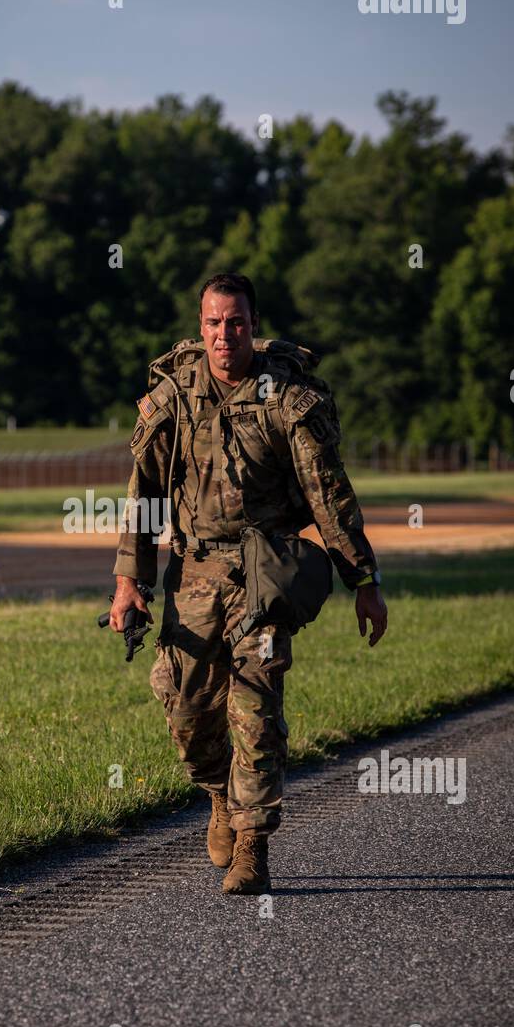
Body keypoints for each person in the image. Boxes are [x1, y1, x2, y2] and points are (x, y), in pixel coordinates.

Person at [109, 272, 387, 894]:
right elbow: (145, 497)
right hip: (193, 574)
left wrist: (362, 580)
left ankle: (253, 847)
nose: (224, 334)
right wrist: (130, 582)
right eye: (213, 323)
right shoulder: (176, 396)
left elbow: (328, 495)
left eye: (235, 322)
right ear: (200, 326)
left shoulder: (285, 396)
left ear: (253, 326)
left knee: (256, 708)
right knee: (186, 713)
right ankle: (219, 798)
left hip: (264, 573)